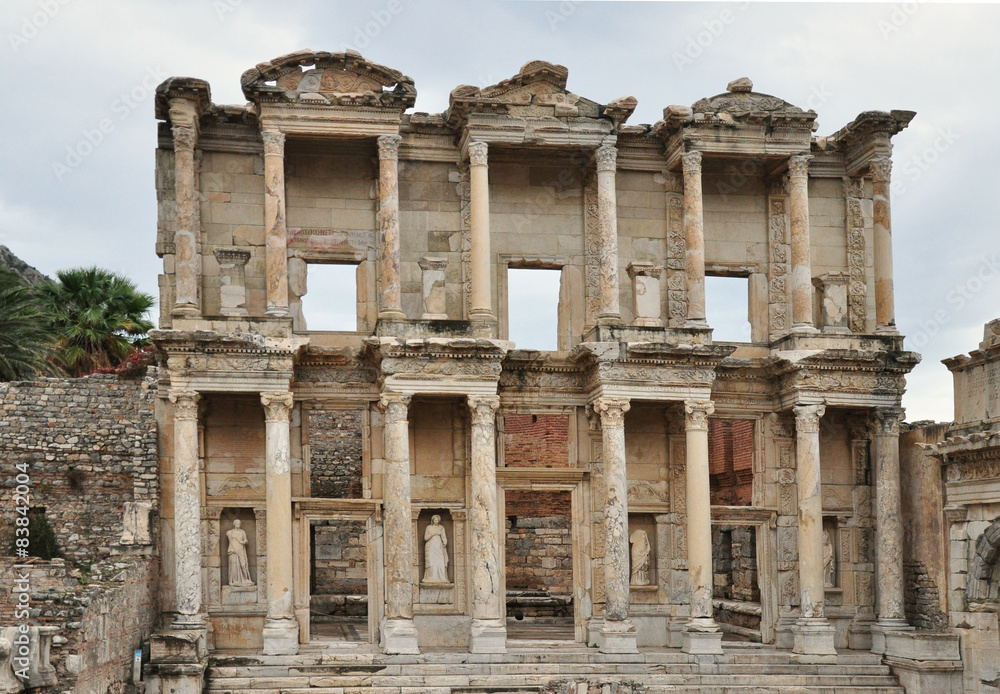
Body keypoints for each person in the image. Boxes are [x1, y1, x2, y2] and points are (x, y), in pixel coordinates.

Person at [227, 519, 254, 587]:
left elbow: (246, 540)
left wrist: (244, 542)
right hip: (233, 550)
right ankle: (235, 580)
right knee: (234, 566)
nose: (238, 524)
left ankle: (245, 578)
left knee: (243, 564)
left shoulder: (242, 532)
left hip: (241, 549)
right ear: (234, 524)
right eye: (237, 523)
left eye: (239, 523)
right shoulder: (230, 532)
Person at [423, 515, 449, 583]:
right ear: (432, 520)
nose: (436, 521)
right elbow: (425, 538)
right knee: (431, 562)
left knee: (440, 561)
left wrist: (445, 542)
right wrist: (433, 534)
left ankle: (441, 577)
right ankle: (431, 577)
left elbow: (444, 537)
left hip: (439, 546)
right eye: (435, 520)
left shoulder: (441, 528)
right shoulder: (429, 527)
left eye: (437, 520)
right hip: (431, 546)